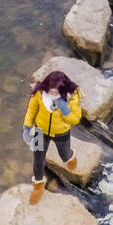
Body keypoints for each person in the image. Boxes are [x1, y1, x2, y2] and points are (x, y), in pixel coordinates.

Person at [23, 70, 82, 204]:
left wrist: (65, 110)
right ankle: (38, 186)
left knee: (64, 156)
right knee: (37, 158)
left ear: (63, 89)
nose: (53, 94)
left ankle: (71, 156)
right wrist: (26, 127)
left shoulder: (71, 97)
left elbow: (75, 120)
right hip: (39, 130)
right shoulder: (39, 93)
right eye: (51, 90)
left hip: (61, 132)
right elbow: (31, 109)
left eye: (57, 92)